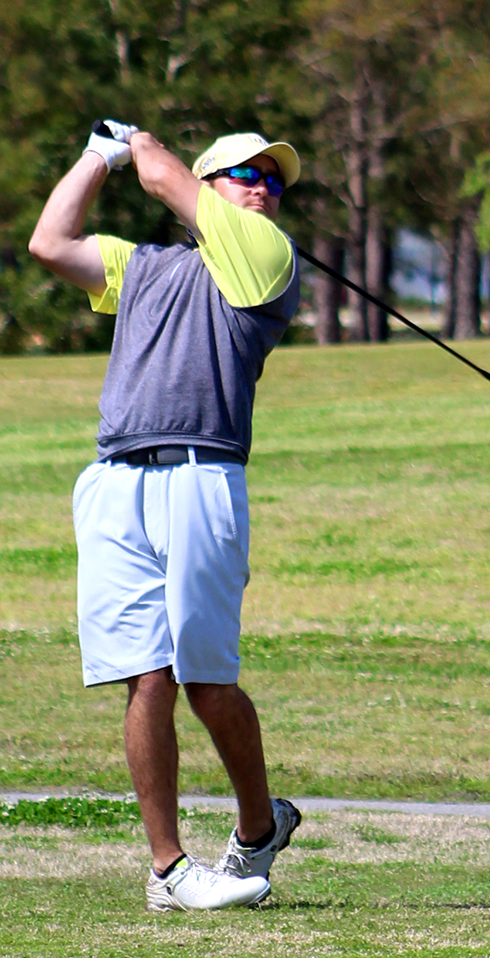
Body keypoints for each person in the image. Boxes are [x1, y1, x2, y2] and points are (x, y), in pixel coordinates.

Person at [28, 120, 304, 912]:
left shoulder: (267, 257)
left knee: (207, 682)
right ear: (210, 187)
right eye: (247, 175)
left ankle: (258, 827)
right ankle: (169, 872)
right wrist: (96, 155)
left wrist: (138, 143)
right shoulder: (143, 267)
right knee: (144, 676)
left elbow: (159, 176)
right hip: (116, 478)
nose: (265, 189)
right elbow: (51, 242)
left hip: (203, 474)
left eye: (275, 180)